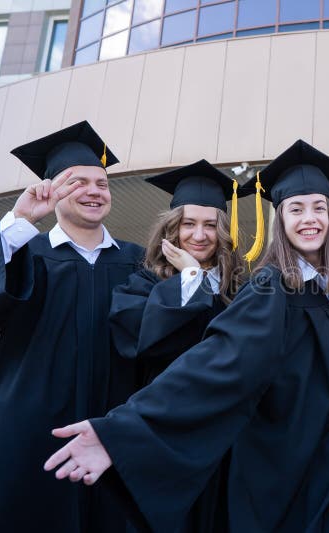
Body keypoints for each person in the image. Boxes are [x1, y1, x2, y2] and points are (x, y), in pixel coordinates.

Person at [44, 139, 329, 533]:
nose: (309, 218)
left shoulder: (325, 292)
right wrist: (122, 431)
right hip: (249, 461)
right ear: (279, 219)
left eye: (319, 208)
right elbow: (217, 360)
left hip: (307, 462)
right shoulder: (269, 287)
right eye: (295, 209)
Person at [0, 121, 144, 532]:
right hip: (27, 432)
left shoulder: (138, 263)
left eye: (102, 184)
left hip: (113, 434)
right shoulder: (23, 251)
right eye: (78, 182)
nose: (94, 191)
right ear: (51, 191)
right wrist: (20, 220)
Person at [108, 159, 248, 532]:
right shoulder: (141, 283)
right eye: (188, 224)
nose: (199, 235)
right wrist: (190, 277)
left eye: (209, 225)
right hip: (163, 432)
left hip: (225, 439)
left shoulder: (240, 291)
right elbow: (138, 341)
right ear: (172, 229)